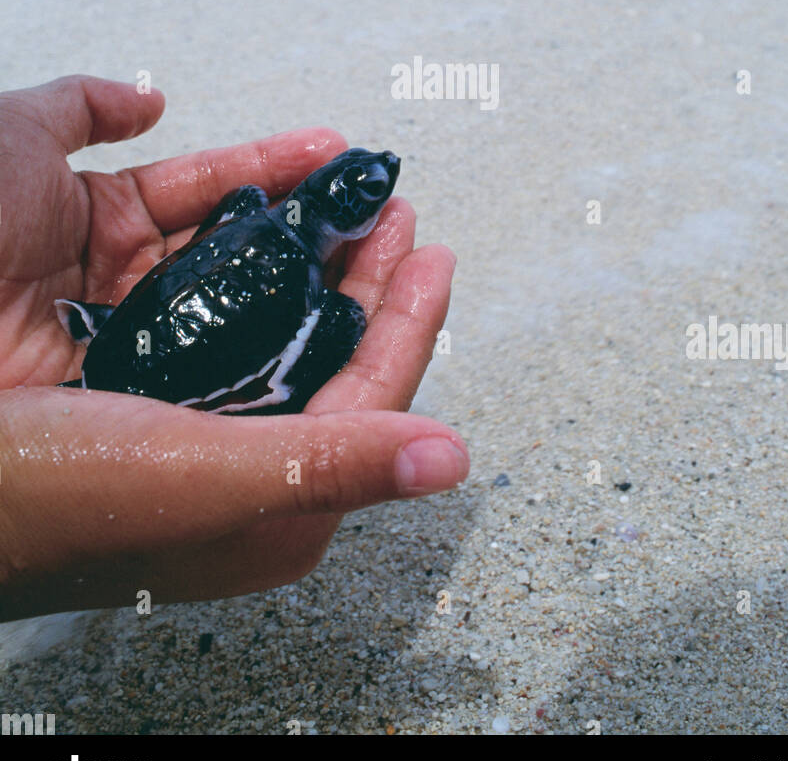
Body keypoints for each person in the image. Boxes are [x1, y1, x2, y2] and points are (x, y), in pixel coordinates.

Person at [0, 76, 468, 620]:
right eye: (370, 191)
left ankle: (100, 335)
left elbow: (207, 238)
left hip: (124, 338)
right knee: (345, 322)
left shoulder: (249, 206)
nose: (390, 165)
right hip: (166, 369)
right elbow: (303, 362)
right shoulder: (321, 294)